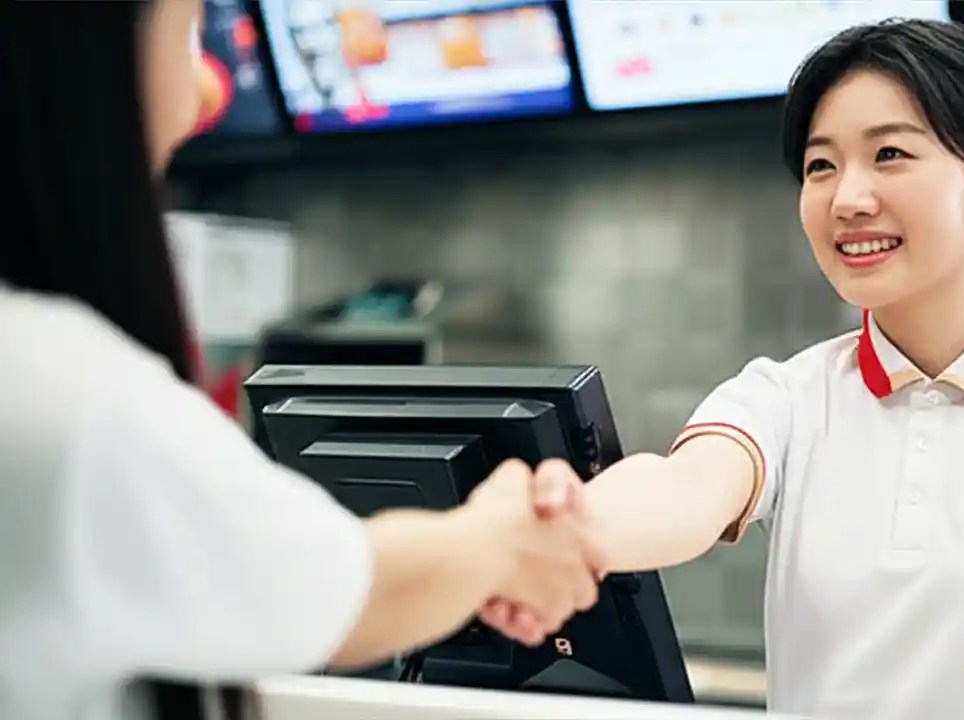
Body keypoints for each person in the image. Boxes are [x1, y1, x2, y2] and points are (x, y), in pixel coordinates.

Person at [484, 18, 964, 720]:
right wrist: (563, 529)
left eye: (890, 155)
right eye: (820, 165)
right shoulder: (785, 396)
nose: (848, 199)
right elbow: (685, 491)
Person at [0, 3, 600, 719]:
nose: (202, 88)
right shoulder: (73, 404)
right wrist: (505, 530)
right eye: (186, 32)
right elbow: (355, 597)